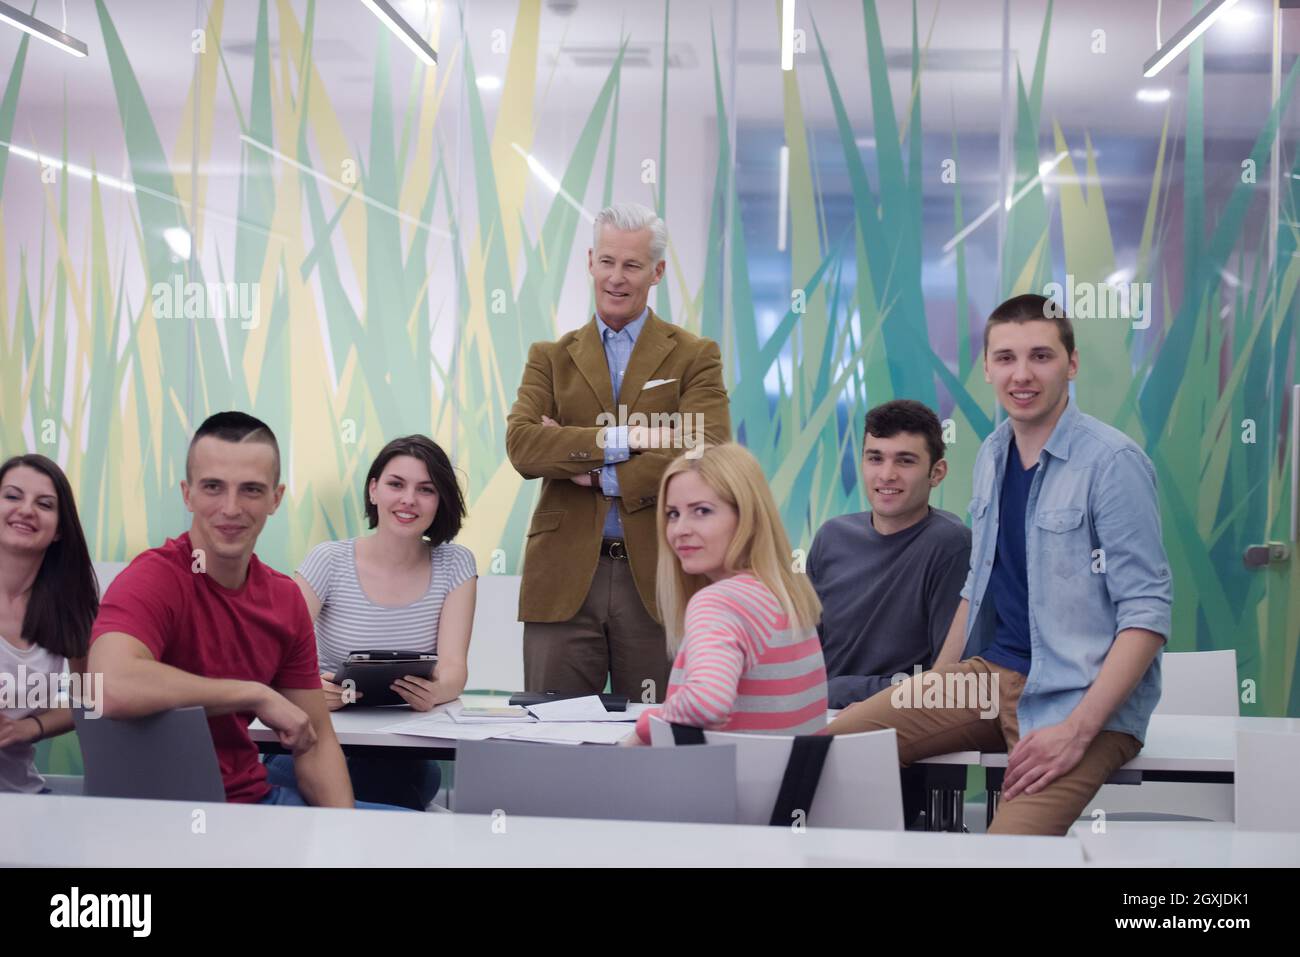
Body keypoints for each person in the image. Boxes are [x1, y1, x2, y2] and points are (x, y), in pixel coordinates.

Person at [825, 294, 1172, 836]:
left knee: (1003, 854)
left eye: (1041, 356)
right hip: (990, 677)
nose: (1022, 374)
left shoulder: (1113, 463)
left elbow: (1147, 614)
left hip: (1078, 696)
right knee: (830, 751)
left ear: (1072, 364)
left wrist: (1079, 731)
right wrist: (935, 687)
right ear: (987, 367)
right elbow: (977, 584)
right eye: (1006, 358)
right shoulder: (991, 454)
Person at [90, 412, 391, 808]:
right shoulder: (154, 578)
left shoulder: (283, 600)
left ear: (275, 499)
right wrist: (254, 694)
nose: (230, 508)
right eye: (213, 487)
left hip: (254, 803)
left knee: (418, 843)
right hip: (157, 819)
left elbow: (316, 741)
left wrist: (340, 839)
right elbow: (109, 686)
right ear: (188, 494)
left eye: (250, 490)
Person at [506, 202, 731, 703]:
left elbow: (708, 448)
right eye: (607, 261)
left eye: (631, 265)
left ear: (657, 271)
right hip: (562, 581)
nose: (616, 277)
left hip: (659, 577)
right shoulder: (549, 356)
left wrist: (591, 472)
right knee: (552, 742)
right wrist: (625, 439)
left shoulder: (696, 355)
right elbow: (524, 446)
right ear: (590, 261)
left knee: (663, 749)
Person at [265, 435, 476, 810]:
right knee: (289, 783)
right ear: (374, 489)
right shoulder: (327, 560)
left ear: (440, 500)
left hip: (400, 754)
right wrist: (311, 689)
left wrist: (437, 691)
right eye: (396, 484)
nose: (409, 499)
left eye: (425, 489)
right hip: (319, 734)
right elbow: (271, 658)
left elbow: (454, 669)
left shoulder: (456, 564)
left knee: (332, 797)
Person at [807, 400, 971, 826]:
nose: (886, 475)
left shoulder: (951, 545)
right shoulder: (831, 538)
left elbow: (946, 680)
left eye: (906, 461)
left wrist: (839, 691)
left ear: (937, 472)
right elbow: (802, 656)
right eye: (875, 458)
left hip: (897, 742)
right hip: (814, 728)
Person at [632, 443, 826, 743]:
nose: (680, 529)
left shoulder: (720, 602)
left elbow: (707, 701)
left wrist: (647, 725)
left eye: (702, 511)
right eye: (672, 514)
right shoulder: (785, 594)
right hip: (779, 788)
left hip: (726, 787)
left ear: (747, 516)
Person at [0, 454, 99, 793]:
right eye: (12, 496)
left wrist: (31, 727)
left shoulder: (70, 607)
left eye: (44, 504)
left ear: (59, 530)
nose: (26, 510)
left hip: (21, 797)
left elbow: (92, 698)